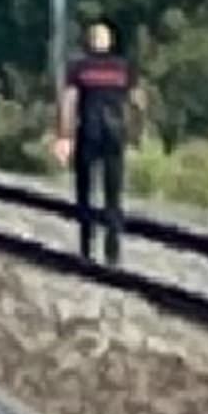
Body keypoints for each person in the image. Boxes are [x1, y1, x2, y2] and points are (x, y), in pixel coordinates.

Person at [64, 21, 136, 266]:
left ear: (89, 41)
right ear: (111, 42)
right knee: (113, 195)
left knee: (85, 191)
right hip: (115, 136)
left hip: (89, 134)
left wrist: (65, 135)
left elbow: (69, 101)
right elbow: (135, 102)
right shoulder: (122, 68)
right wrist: (135, 133)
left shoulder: (79, 67)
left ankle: (86, 247)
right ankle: (112, 252)